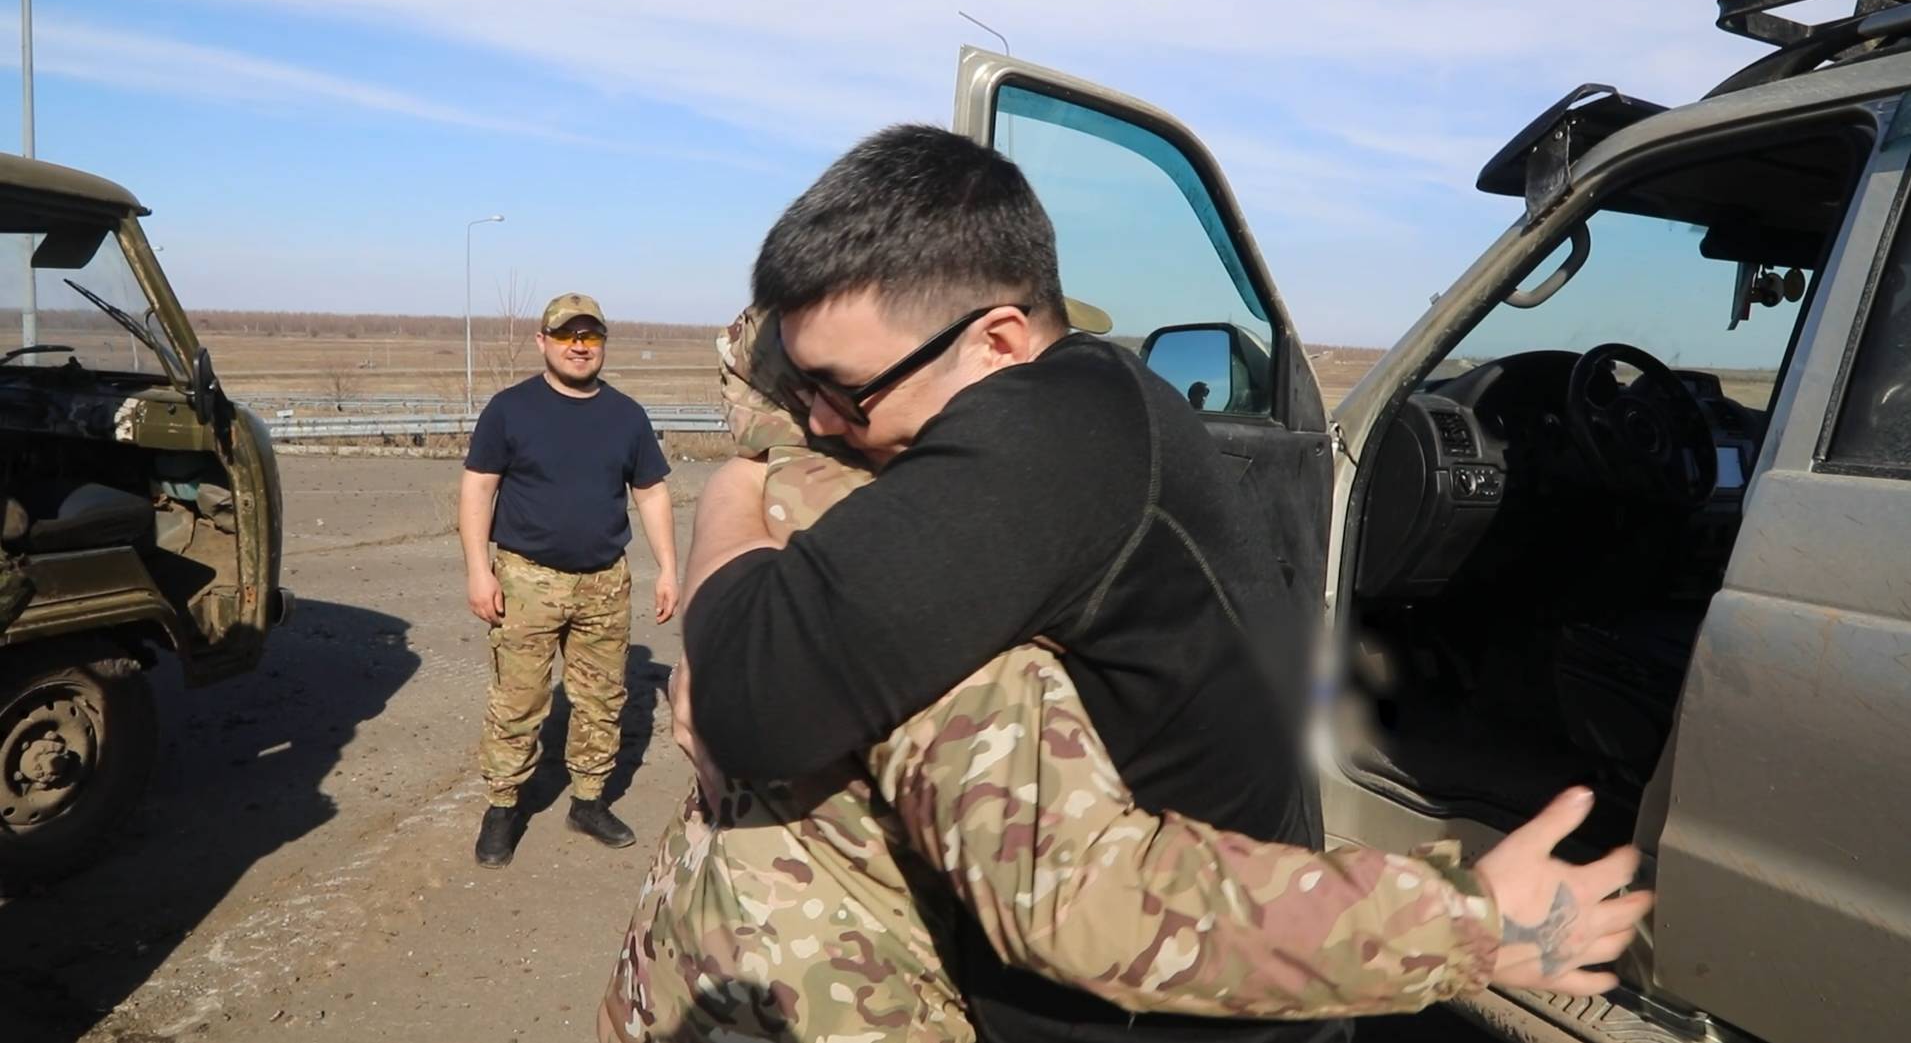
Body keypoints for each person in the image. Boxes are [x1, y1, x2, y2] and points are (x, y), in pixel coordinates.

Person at [667, 126, 1650, 1042]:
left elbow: (754, 697)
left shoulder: (1050, 439)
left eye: (845, 391)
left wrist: (736, 497)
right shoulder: (1074, 401)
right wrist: (760, 474)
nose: (823, 419)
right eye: (802, 394)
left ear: (999, 343)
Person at [600, 307, 1527, 1043]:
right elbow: (1081, 900)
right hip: (827, 1003)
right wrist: (1457, 919)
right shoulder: (922, 577)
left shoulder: (777, 483)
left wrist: (736, 481)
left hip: (676, 968)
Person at [459, 292, 679, 868]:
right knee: (519, 700)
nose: (580, 347)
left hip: (605, 581)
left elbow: (651, 491)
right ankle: (503, 808)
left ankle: (588, 802)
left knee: (602, 700)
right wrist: (479, 571)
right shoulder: (509, 410)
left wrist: (668, 568)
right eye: (567, 336)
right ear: (543, 342)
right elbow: (478, 488)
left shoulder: (626, 415)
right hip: (526, 579)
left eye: (591, 337)